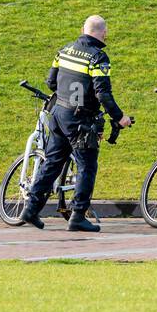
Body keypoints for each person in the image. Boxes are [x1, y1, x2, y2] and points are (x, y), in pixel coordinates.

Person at [18, 15, 133, 232]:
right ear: (103, 32)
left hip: (58, 113)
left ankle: (31, 208)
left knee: (52, 162)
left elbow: (51, 81)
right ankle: (78, 215)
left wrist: (68, 96)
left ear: (83, 29)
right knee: (86, 166)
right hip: (80, 119)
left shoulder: (64, 50)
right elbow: (103, 94)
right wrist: (120, 117)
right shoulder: (98, 58)